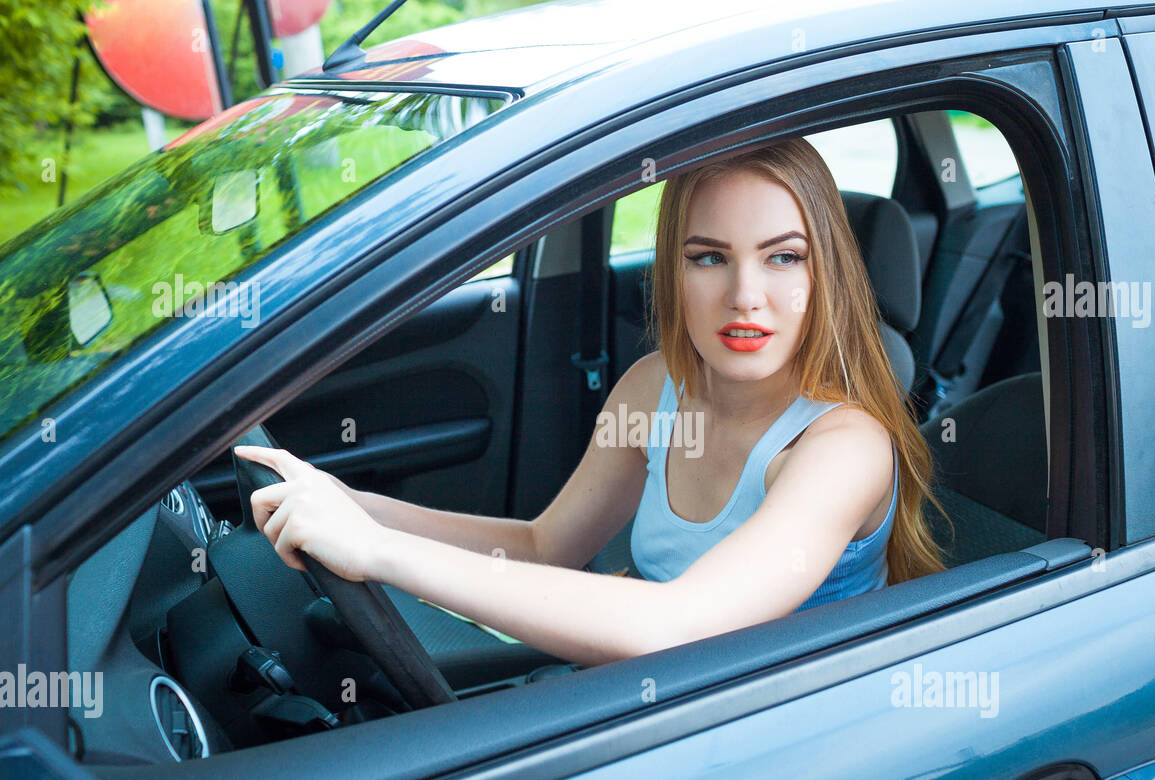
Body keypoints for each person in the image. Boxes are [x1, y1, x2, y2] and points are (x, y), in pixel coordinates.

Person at [234, 137, 948, 667]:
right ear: (674, 270)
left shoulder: (843, 448)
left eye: (783, 257)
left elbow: (674, 624)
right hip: (651, 696)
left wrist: (379, 552)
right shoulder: (653, 389)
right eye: (709, 257)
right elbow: (544, 547)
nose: (744, 295)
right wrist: (353, 505)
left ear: (825, 276)